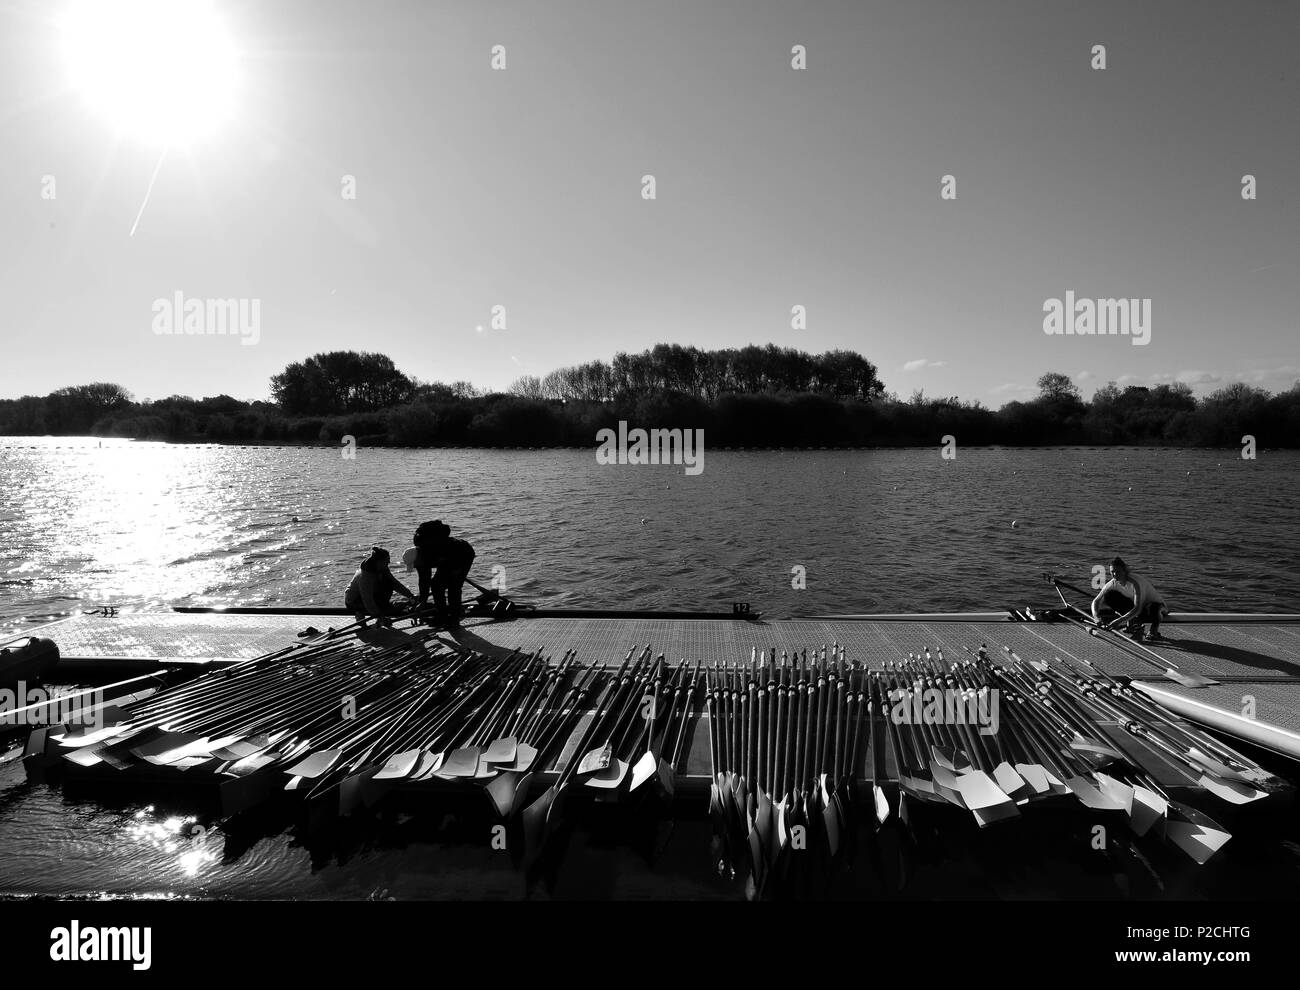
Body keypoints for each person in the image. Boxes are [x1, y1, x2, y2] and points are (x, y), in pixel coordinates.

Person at [410, 520, 476, 627]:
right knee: (436, 585)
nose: (416, 567)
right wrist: (422, 602)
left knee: (453, 586)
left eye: (416, 565)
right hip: (444, 559)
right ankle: (442, 616)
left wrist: (457, 572)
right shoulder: (420, 558)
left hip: (462, 553)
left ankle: (454, 618)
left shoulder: (433, 548)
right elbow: (424, 581)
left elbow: (451, 563)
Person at [1090, 557, 1168, 641]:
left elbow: (1137, 608)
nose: (1115, 574)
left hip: (1158, 609)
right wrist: (1096, 617)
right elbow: (1096, 601)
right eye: (1112, 572)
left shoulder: (1135, 583)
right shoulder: (1112, 583)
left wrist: (1119, 620)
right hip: (1139, 611)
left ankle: (1153, 631)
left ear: (1125, 571)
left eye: (1118, 571)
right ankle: (1131, 623)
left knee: (1153, 607)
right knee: (1109, 596)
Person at [344, 546, 414, 620]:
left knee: (389, 584)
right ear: (379, 562)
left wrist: (410, 595)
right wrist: (380, 617)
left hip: (370, 595)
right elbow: (368, 600)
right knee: (373, 606)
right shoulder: (365, 577)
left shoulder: (383, 568)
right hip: (353, 600)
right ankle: (360, 615)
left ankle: (384, 608)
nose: (389, 562)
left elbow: (395, 584)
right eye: (387, 561)